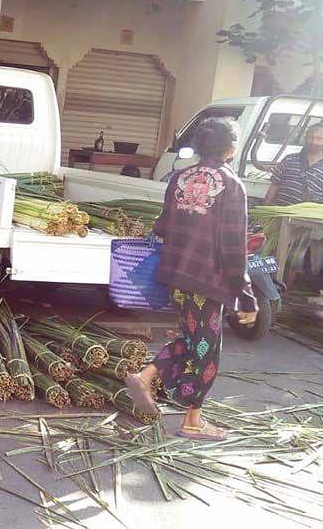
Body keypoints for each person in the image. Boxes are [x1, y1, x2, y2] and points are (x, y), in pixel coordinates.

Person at [125, 119, 257, 441]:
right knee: (206, 350)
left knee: (191, 339)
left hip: (176, 277)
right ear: (230, 148)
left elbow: (162, 226)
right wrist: (247, 295)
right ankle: (192, 421)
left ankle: (145, 376)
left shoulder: (179, 178)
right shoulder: (231, 185)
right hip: (206, 281)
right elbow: (232, 246)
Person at [264, 122, 323, 205]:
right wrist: (265, 208)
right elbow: (274, 186)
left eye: (319, 139)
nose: (314, 142)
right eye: (311, 137)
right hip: (279, 212)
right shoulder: (289, 159)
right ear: (305, 138)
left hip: (307, 216)